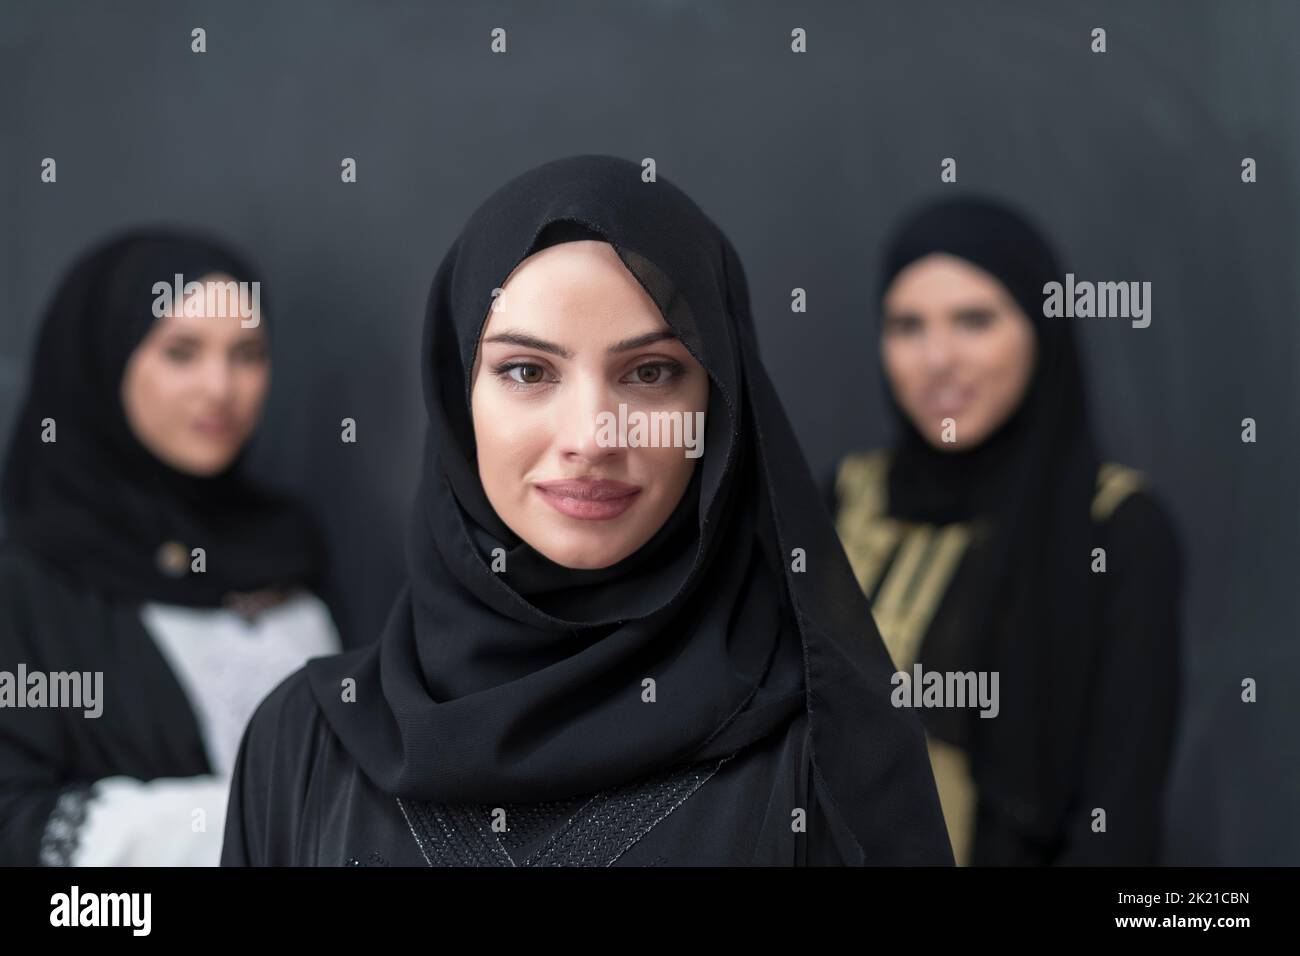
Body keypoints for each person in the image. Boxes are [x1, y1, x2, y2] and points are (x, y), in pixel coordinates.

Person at [221, 155, 953, 867]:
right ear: (456, 401)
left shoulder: (827, 753)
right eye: (527, 371)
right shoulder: (303, 743)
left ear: (722, 408)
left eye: (651, 373)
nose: (592, 438)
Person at [829, 196, 1182, 865]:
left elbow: (1120, 820)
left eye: (974, 320)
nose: (937, 359)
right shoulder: (847, 496)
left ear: (1041, 330)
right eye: (907, 325)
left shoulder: (1116, 529)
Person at [0, 229, 340, 865]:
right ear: (103, 362)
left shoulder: (285, 544)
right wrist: (267, 820)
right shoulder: (29, 588)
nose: (220, 387)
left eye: (247, 354)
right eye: (181, 352)